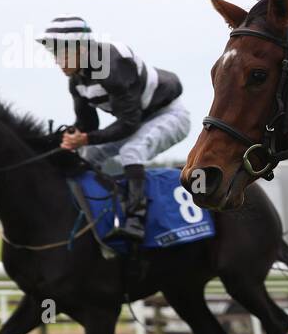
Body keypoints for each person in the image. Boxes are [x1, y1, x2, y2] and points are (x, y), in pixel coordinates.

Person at [38, 15, 190, 242]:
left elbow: (128, 123)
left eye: (62, 53)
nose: (57, 61)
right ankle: (94, 212)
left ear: (82, 48)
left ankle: (136, 220)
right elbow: (88, 126)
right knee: (88, 154)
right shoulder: (77, 80)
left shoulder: (110, 65)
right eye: (54, 53)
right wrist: (64, 138)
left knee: (131, 151)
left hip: (169, 114)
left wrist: (85, 138)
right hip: (137, 119)